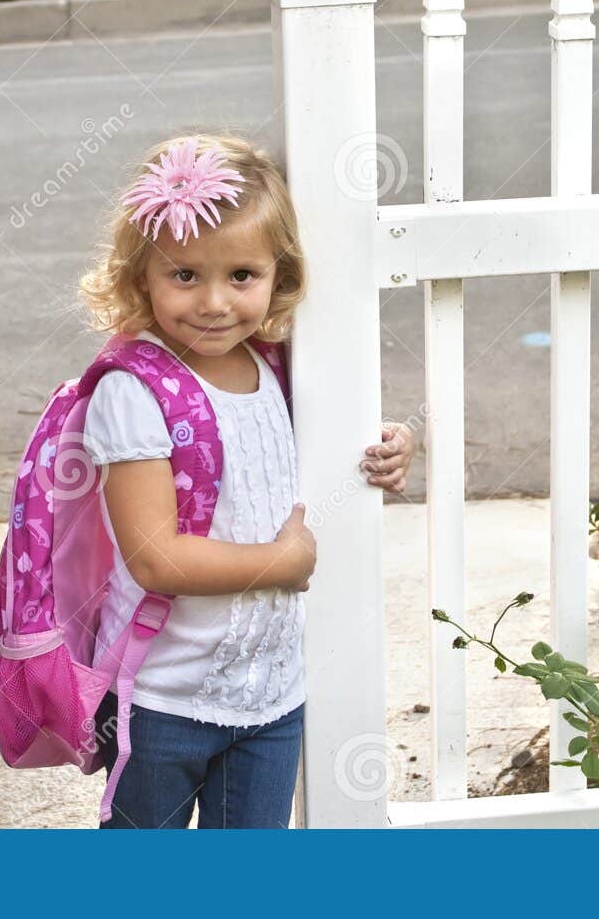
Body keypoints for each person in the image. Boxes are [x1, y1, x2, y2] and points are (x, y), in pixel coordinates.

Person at [76, 134, 414, 828]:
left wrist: (387, 448)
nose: (214, 302)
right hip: (162, 703)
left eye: (241, 275)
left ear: (277, 275)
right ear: (142, 276)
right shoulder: (135, 392)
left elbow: (323, 456)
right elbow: (155, 556)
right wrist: (278, 563)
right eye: (185, 275)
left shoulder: (282, 368)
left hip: (270, 701)